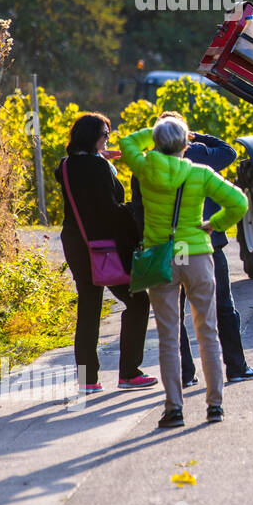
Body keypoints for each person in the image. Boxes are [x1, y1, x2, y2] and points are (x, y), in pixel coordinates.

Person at [121, 116, 248, 428]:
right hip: (197, 255)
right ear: (186, 144)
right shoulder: (200, 173)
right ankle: (214, 405)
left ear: (156, 141)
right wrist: (213, 224)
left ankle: (174, 408)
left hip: (162, 258)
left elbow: (127, 143)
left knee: (168, 336)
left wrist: (154, 132)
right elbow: (239, 203)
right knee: (208, 330)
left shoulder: (146, 169)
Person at [57, 114, 156, 394]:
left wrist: (104, 160)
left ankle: (87, 380)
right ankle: (129, 372)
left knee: (89, 308)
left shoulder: (64, 166)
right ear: (93, 137)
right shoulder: (99, 167)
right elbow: (109, 210)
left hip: (76, 244)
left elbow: (85, 194)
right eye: (105, 135)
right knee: (138, 301)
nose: (108, 140)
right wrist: (135, 214)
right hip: (104, 247)